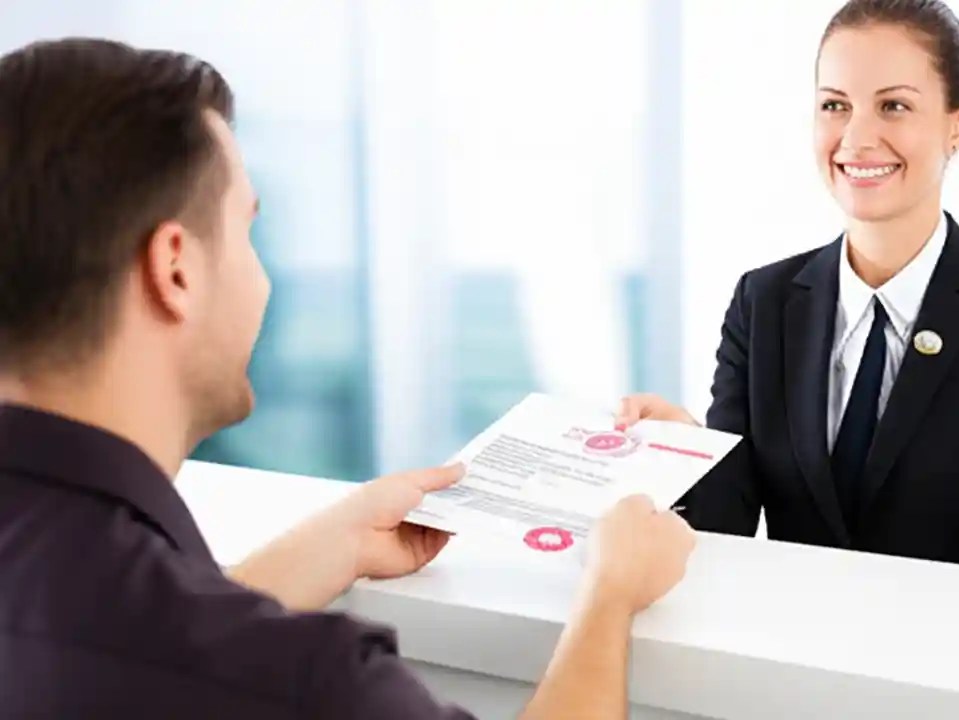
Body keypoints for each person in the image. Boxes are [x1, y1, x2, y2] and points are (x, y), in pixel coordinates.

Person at [0, 38, 694, 719]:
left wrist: (338, 541)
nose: (263, 276)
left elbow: (136, 644)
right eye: (246, 230)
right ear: (175, 269)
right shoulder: (307, 683)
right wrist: (611, 594)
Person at [617, 0, 959, 576]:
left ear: (958, 123)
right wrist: (684, 449)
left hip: (946, 657)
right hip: (782, 647)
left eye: (893, 106)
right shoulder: (763, 302)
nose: (857, 138)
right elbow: (729, 525)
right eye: (835, 106)